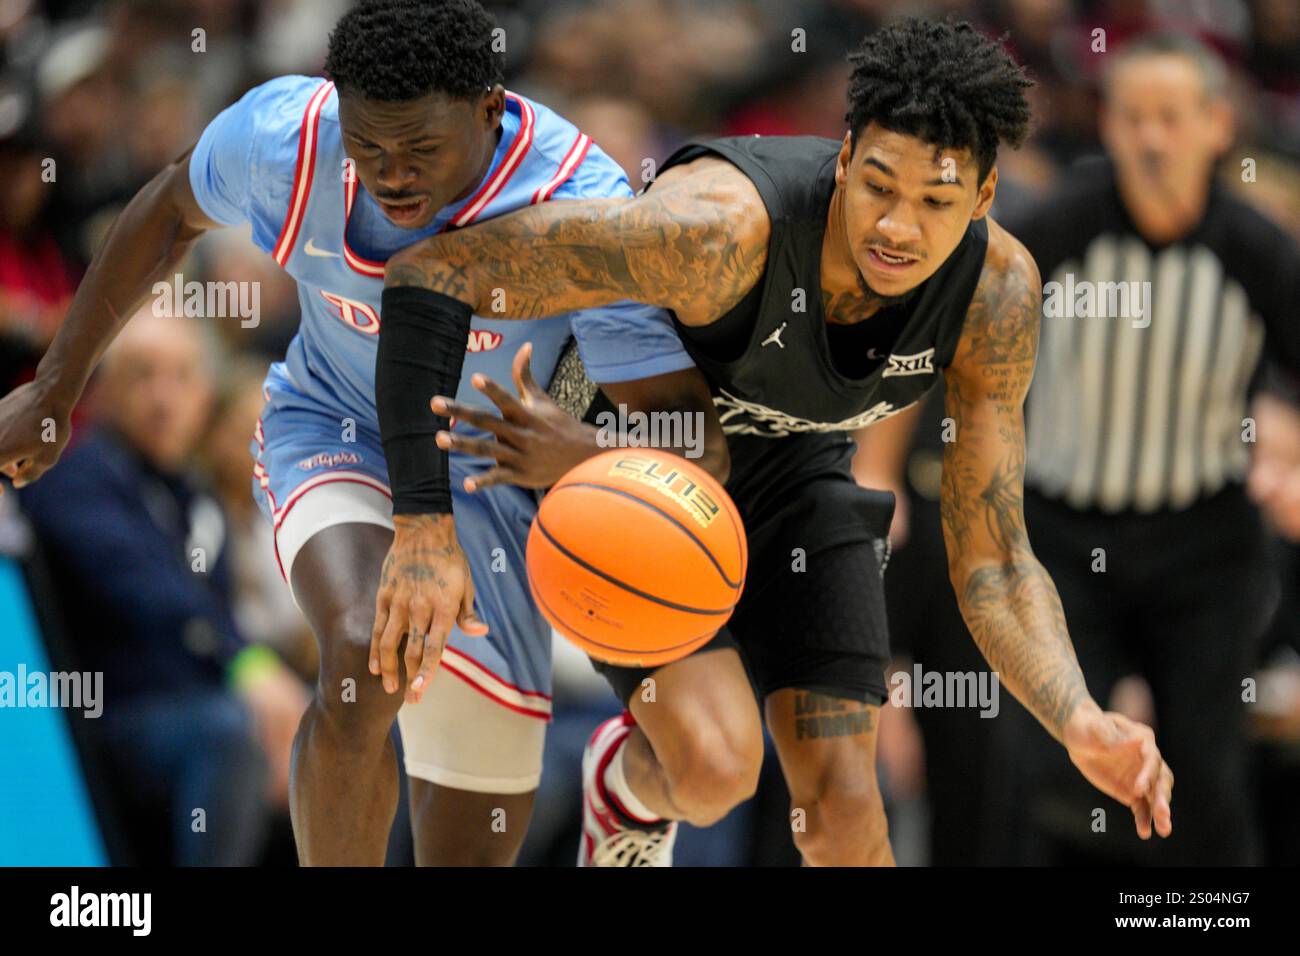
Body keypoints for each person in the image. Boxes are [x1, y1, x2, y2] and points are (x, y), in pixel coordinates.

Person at [373, 16, 1175, 866]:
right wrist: (422, 522)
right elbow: (434, 272)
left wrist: (1078, 717)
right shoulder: (715, 233)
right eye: (877, 186)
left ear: (982, 199)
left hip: (800, 470)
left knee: (846, 818)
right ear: (842, 158)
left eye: (936, 202)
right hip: (629, 452)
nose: (896, 228)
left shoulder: (995, 294)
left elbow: (995, 558)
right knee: (719, 769)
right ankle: (628, 787)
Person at [0, 0, 723, 866]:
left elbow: (685, 428)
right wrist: (54, 386)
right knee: (362, 647)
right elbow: (165, 211)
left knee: (471, 838)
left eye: (421, 149)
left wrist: (586, 458)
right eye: (369, 144)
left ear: (491, 109)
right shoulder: (286, 135)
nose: (392, 176)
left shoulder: (582, 200)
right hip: (335, 424)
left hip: (492, 473)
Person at [989, 31, 1300, 865]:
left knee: (1205, 771)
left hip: (1204, 544)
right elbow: (959, 339)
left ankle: (1201, 917)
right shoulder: (1054, 229)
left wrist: (1284, 433)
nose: (1153, 138)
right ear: (1109, 128)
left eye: (1171, 117)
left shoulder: (1255, 248)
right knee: (1056, 762)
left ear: (1216, 126)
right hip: (1059, 535)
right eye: (1133, 118)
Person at [18, 311, 305, 865]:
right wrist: (247, 668)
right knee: (230, 731)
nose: (163, 397)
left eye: (182, 377)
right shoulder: (76, 479)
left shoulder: (196, 496)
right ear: (103, 391)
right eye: (143, 376)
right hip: (111, 720)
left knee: (345, 733)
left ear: (205, 396)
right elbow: (150, 593)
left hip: (200, 710)